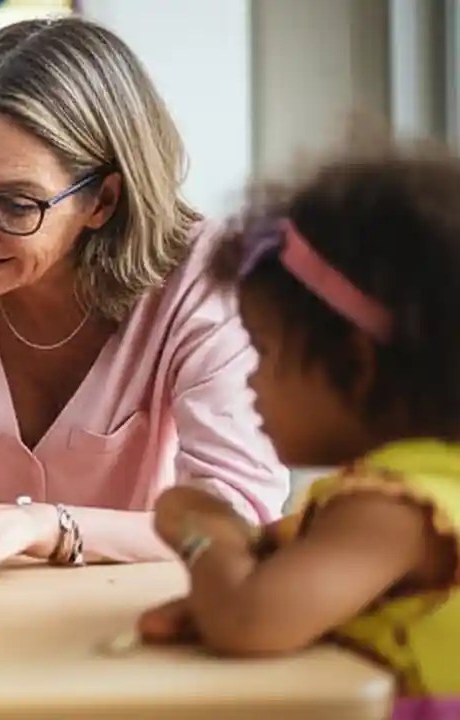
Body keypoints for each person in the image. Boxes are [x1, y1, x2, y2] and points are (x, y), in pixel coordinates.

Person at [0, 16, 289, 587]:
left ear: (103, 200)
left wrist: (52, 526)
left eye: (17, 205)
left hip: (138, 632)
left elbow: (232, 519)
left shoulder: (204, 282)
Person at [140, 148, 460, 718]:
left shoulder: (391, 507)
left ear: (354, 367)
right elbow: (279, 590)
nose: (250, 381)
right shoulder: (425, 482)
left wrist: (197, 527)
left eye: (261, 351)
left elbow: (248, 620)